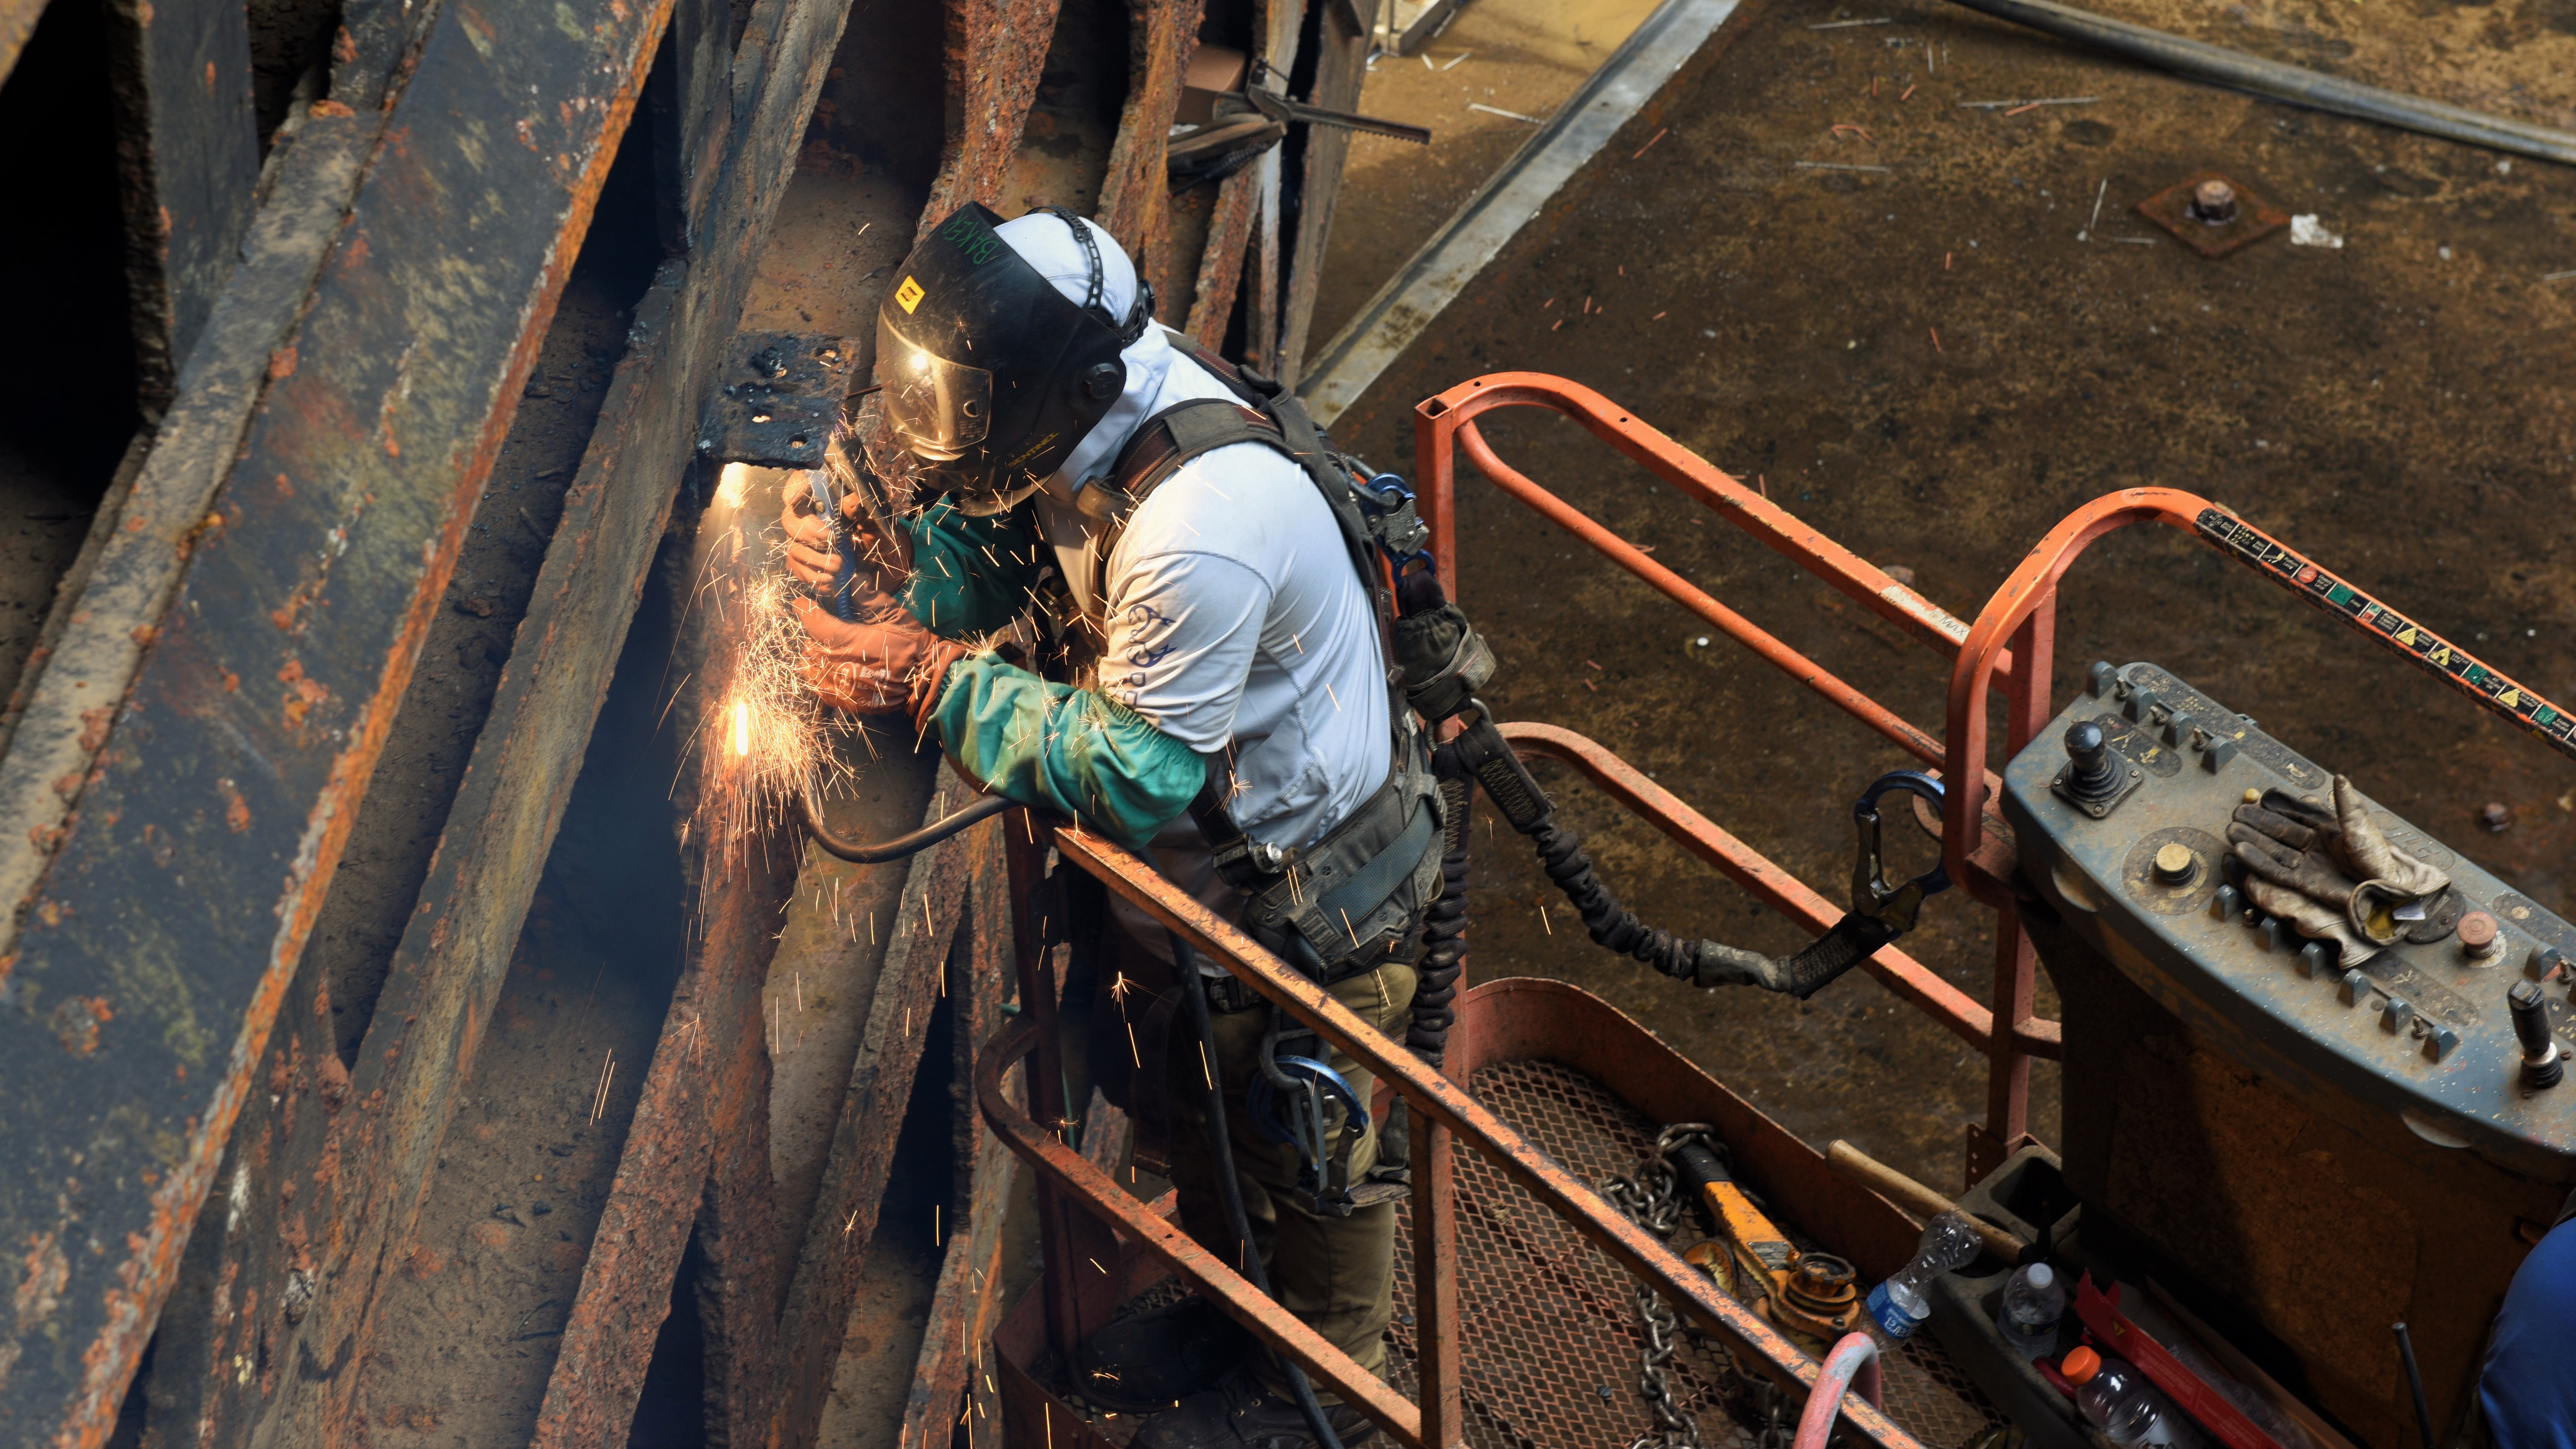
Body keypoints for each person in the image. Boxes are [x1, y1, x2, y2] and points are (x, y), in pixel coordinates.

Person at [783, 202, 1446, 1449]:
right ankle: (1233, 1317)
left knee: (1311, 1154)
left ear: (1065, 386)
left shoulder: (1197, 528)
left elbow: (1139, 772)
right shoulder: (1072, 415)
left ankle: (1332, 1396)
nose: (940, 440)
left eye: (961, 414)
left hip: (1305, 909)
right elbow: (1018, 558)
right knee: (1204, 1117)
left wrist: (924, 679)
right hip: (1208, 897)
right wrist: (900, 561)